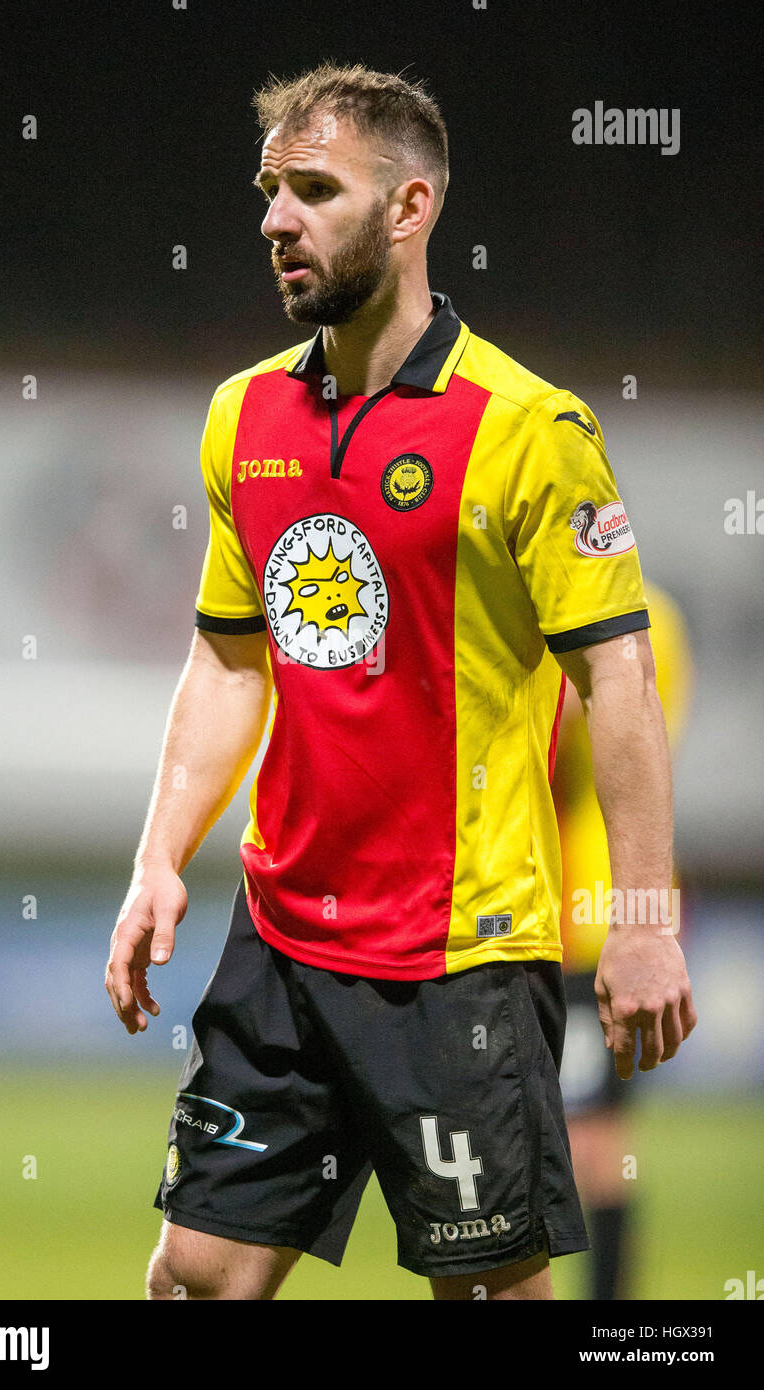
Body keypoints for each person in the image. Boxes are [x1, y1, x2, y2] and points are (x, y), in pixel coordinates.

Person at [105, 61, 697, 1302]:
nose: (276, 220)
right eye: (270, 191)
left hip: (457, 960)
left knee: (487, 1295)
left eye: (315, 190)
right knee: (194, 1277)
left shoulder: (530, 428)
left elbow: (620, 687)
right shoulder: (242, 418)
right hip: (279, 940)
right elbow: (227, 658)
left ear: (409, 206)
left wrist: (643, 920)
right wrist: (159, 855)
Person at [553, 583, 693, 1300]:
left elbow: (571, 733)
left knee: (589, 1138)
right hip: (593, 907)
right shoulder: (662, 615)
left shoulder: (616, 618)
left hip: (590, 921)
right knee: (584, 1131)